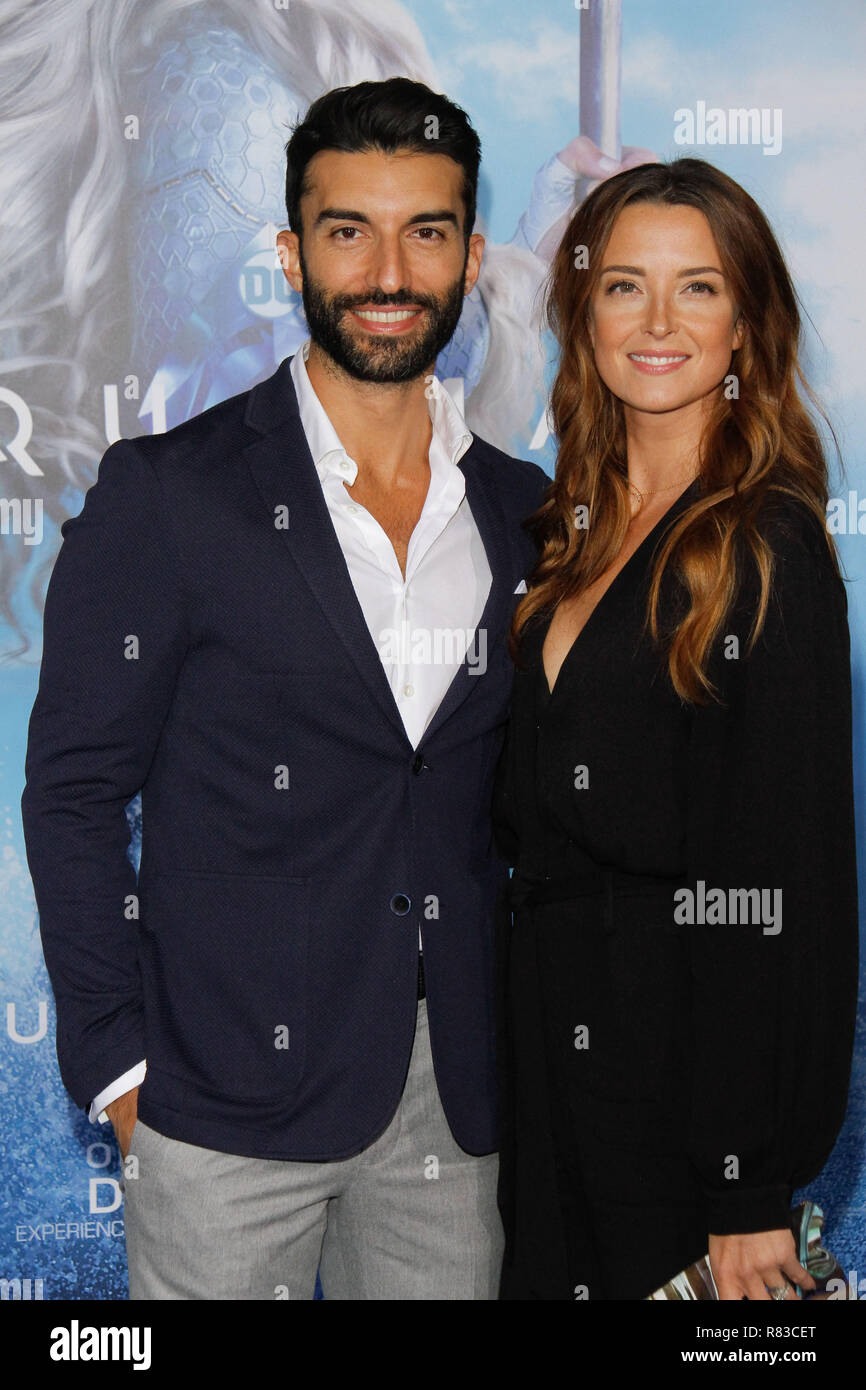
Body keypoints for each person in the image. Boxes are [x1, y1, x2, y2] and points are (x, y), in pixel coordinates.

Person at [20, 77, 548, 1300]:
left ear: (471, 258)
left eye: (424, 230)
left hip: (450, 1103)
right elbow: (75, 795)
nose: (385, 269)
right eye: (345, 228)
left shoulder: (525, 510)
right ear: (289, 250)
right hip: (214, 1102)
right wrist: (118, 1068)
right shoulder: (170, 493)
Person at [493, 157, 859, 1301]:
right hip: (549, 1076)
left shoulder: (767, 548)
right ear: (580, 313)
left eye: (697, 289)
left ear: (745, 325)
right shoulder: (558, 534)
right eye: (621, 287)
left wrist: (747, 1186)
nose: (657, 322)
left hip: (687, 1106)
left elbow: (779, 888)